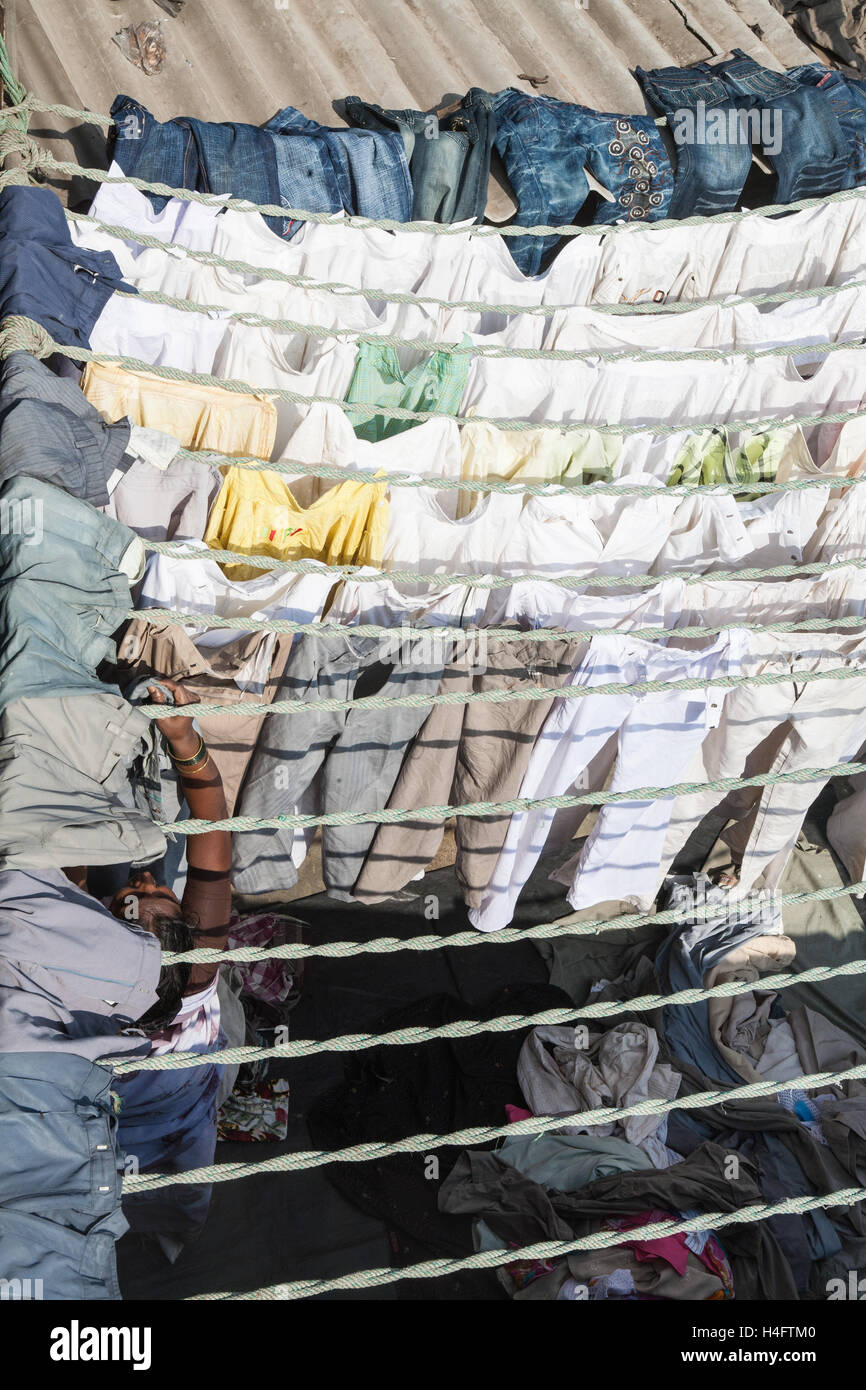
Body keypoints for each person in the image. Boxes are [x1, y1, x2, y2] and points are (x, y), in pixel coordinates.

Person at [65, 677, 233, 1257]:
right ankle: (176, 1232)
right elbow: (211, 823)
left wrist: (80, 770)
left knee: (107, 1165)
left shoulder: (72, 978)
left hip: (130, 1107)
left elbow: (71, 861)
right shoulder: (200, 970)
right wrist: (184, 740)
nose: (147, 877)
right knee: (187, 1169)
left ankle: (169, 1225)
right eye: (162, 890)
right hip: (181, 1103)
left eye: (137, 895)